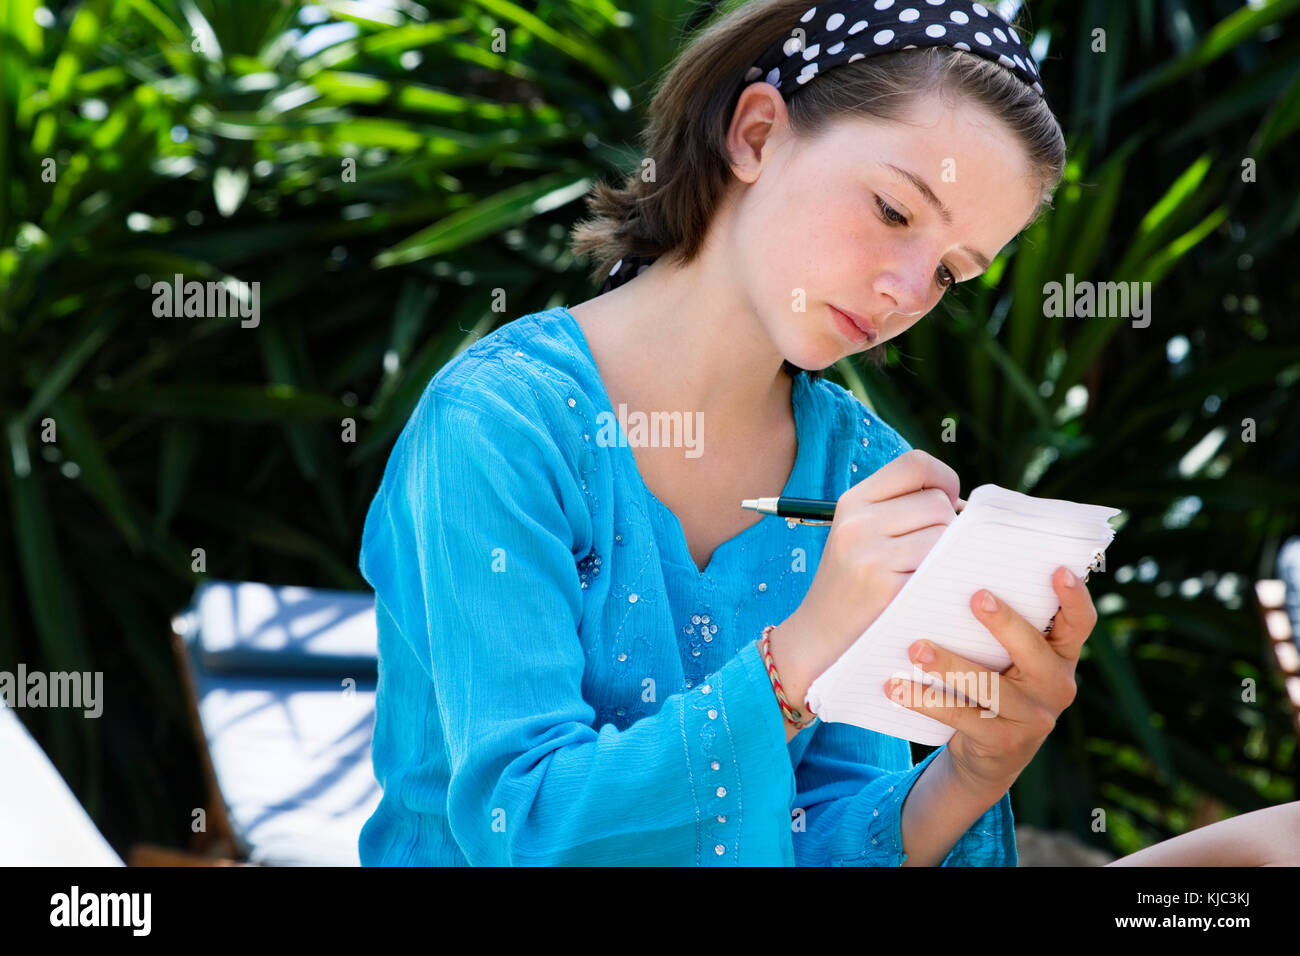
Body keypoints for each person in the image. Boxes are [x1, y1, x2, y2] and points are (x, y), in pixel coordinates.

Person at [356, 0, 1293, 866]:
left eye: (952, 273)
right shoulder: (500, 426)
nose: (905, 291)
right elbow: (525, 828)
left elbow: (820, 831)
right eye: (893, 210)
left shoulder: (865, 471)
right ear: (757, 133)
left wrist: (971, 772)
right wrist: (799, 653)